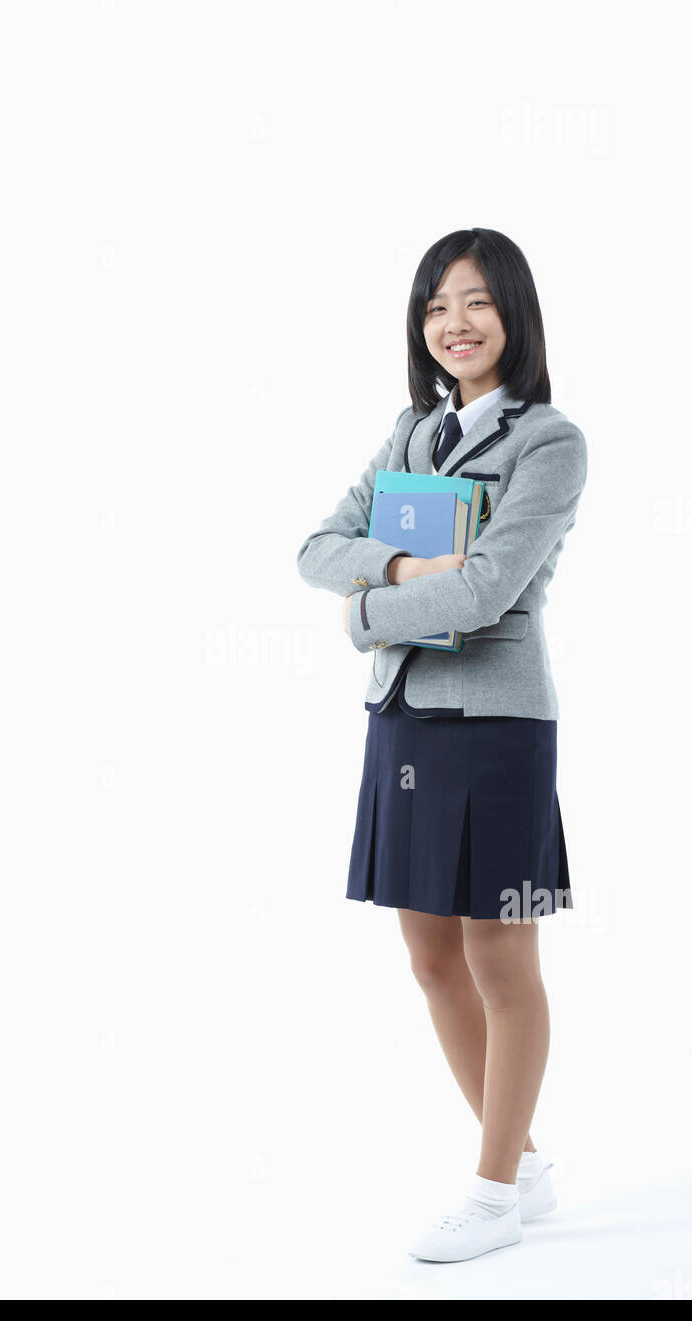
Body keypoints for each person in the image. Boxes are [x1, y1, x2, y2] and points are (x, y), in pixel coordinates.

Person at [295, 228, 587, 1263]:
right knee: (427, 955)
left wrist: (365, 611)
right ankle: (525, 1159)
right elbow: (315, 549)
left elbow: (489, 590)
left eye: (473, 303)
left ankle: (494, 1190)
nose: (452, 324)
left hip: (498, 727)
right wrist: (409, 570)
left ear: (512, 313)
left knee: (497, 951)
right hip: (405, 717)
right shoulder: (410, 433)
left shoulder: (546, 442)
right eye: (433, 307)